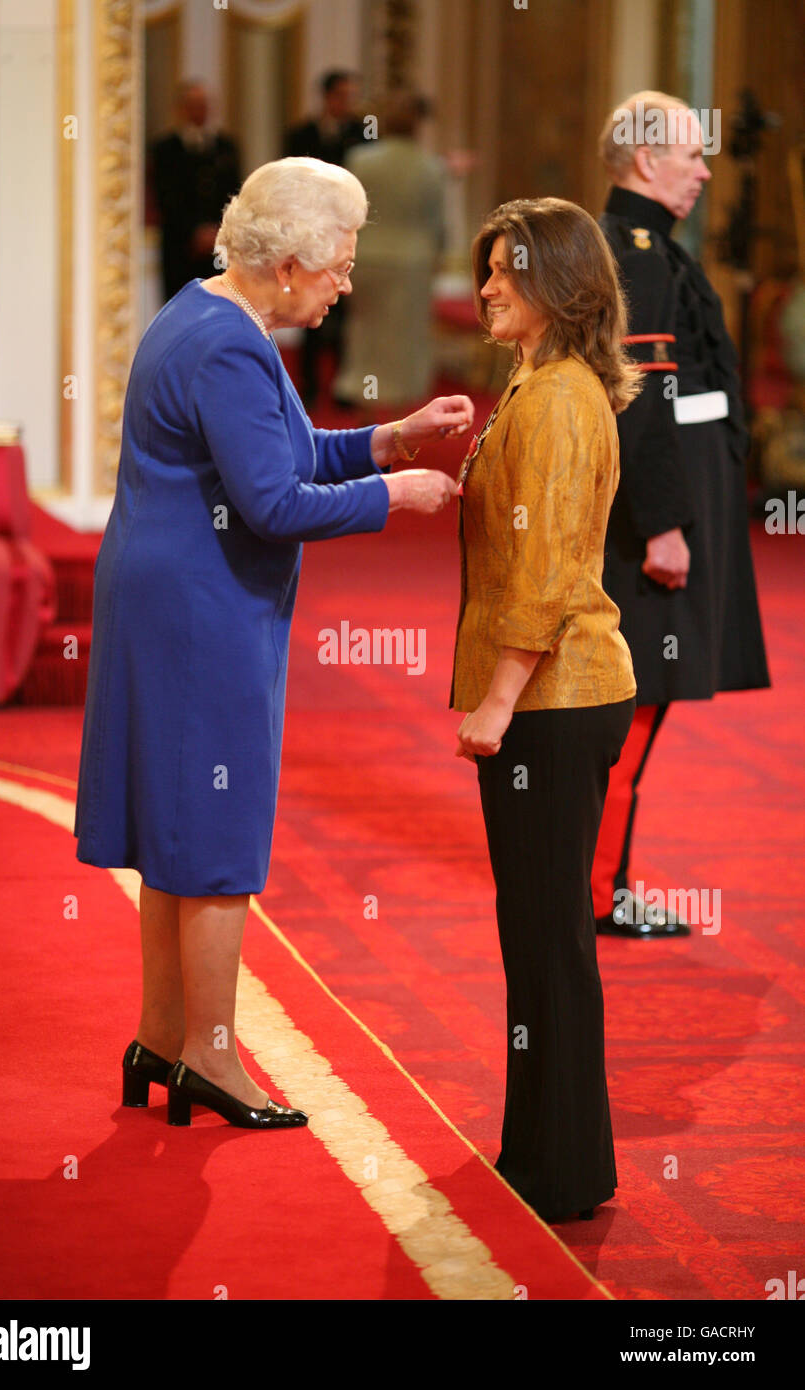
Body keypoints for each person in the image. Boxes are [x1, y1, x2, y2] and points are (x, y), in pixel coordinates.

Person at [75, 157, 471, 1131]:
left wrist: (386, 440)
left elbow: (277, 456)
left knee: (175, 826)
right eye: (337, 263)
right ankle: (211, 1055)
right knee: (212, 837)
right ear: (288, 264)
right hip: (200, 614)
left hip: (170, 597)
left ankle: (162, 1039)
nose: (346, 279)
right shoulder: (232, 348)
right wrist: (394, 497)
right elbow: (272, 503)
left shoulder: (209, 315)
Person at [451, 197, 639, 1223]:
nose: (484, 288)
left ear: (557, 285)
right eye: (484, 271)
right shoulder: (538, 380)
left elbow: (548, 571)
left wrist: (495, 701)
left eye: (504, 274)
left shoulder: (562, 397)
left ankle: (562, 1170)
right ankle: (542, 1150)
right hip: (550, 695)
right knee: (534, 931)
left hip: (554, 698)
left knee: (549, 934)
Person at [593, 92, 770, 938]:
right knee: (631, 703)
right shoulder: (637, 254)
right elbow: (639, 402)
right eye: (690, 156)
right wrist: (664, 523)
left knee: (643, 702)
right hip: (656, 508)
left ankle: (601, 882)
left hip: (680, 491)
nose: (704, 172)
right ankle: (596, 890)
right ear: (642, 159)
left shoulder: (648, 246)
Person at [334, 89, 446, 411]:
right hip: (411, 264)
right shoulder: (431, 168)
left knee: (365, 339)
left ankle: (365, 410)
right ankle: (399, 419)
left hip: (366, 259)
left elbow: (346, 214)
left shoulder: (360, 159)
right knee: (403, 345)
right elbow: (437, 226)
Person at [284, 71, 366, 407]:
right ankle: (310, 388)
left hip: (349, 235)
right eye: (342, 95)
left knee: (346, 316)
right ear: (328, 97)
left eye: (352, 96)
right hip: (311, 236)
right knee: (310, 308)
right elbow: (291, 184)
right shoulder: (300, 135)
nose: (347, 102)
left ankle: (344, 388)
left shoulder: (363, 135)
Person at [152, 80, 241, 302]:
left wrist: (217, 230)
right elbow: (165, 196)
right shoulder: (164, 150)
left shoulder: (226, 147)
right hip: (180, 248)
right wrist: (194, 232)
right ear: (181, 109)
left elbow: (235, 194)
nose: (199, 110)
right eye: (192, 104)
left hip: (218, 247)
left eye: (203, 104)